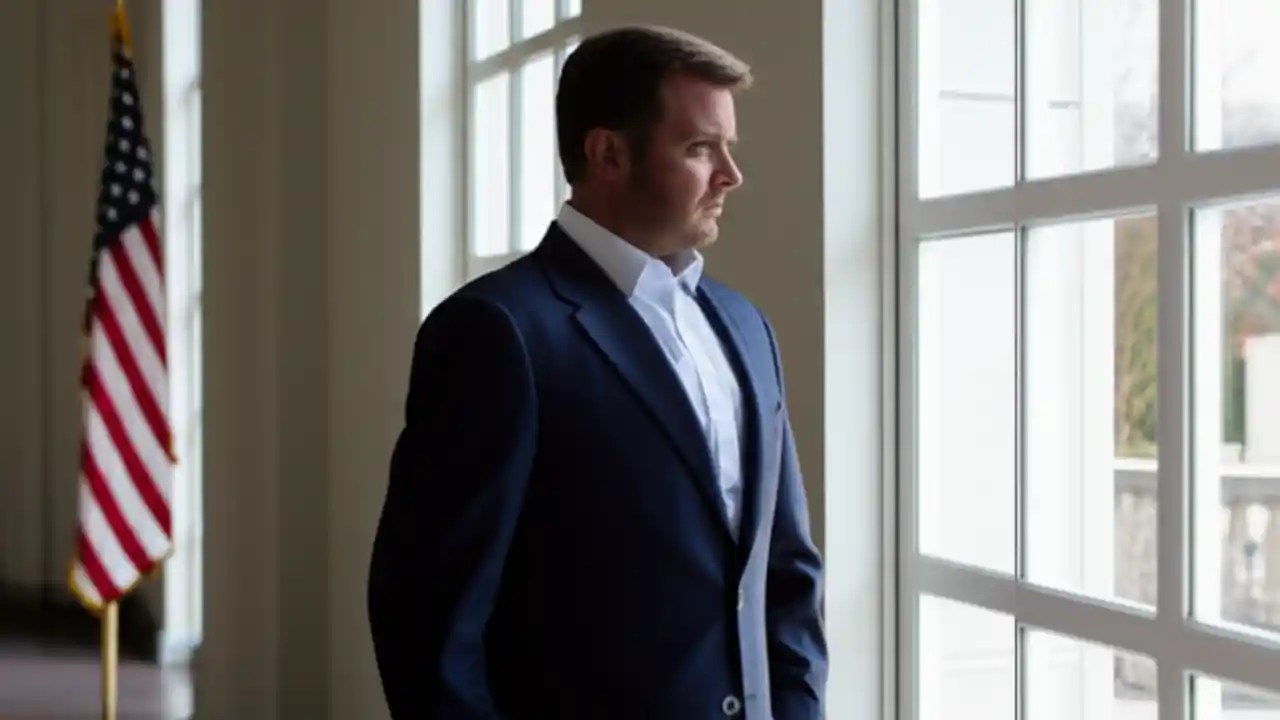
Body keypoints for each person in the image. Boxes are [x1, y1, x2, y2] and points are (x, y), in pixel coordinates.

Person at [367, 25, 827, 720]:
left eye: (728, 147)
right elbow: (428, 617)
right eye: (700, 148)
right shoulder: (497, 332)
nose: (730, 174)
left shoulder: (744, 326)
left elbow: (788, 572)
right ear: (607, 153)